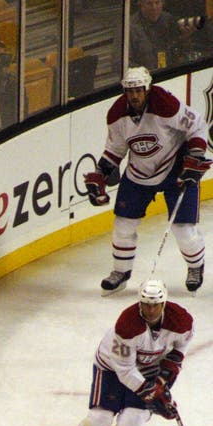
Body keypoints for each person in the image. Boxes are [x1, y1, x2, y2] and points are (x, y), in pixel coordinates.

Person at [58, 278, 193, 426]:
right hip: (112, 368)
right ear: (139, 302)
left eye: (155, 304)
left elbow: (179, 350)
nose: (150, 309)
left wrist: (162, 382)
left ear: (164, 303)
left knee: (134, 419)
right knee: (100, 418)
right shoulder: (128, 325)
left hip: (148, 370)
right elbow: (126, 372)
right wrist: (152, 394)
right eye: (146, 304)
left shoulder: (181, 321)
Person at [84, 66, 212, 294]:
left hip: (176, 169)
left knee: (184, 230)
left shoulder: (165, 104)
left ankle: (195, 267)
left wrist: (195, 156)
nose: (134, 96)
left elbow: (198, 125)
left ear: (147, 89)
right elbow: (115, 149)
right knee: (122, 225)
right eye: (129, 91)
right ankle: (121, 271)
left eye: (138, 90)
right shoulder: (116, 115)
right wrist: (101, 174)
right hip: (138, 174)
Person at [129, 0, 196, 70]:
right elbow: (126, 62)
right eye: (149, 4)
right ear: (140, 3)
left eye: (157, 3)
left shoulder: (168, 20)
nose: (154, 8)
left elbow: (181, 54)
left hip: (167, 73)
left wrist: (185, 38)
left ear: (162, 3)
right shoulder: (130, 27)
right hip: (144, 77)